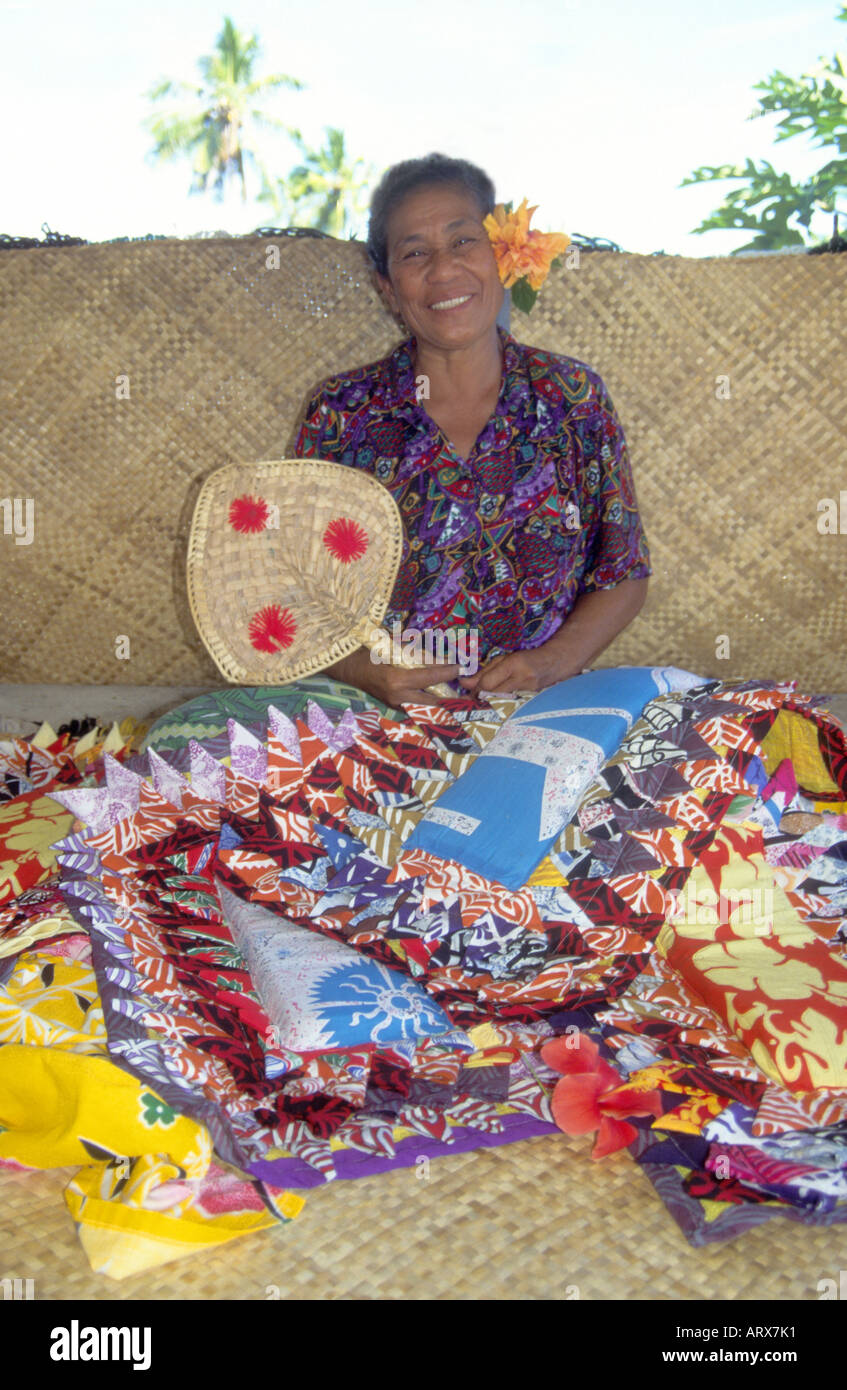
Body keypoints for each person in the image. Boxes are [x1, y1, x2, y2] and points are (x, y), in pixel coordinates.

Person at [294, 153, 650, 706]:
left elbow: (624, 571)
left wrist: (550, 663)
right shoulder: (341, 414)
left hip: (540, 714)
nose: (443, 269)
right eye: (415, 252)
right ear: (387, 287)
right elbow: (300, 586)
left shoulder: (571, 397)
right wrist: (365, 672)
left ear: (503, 256)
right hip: (378, 721)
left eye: (463, 241)